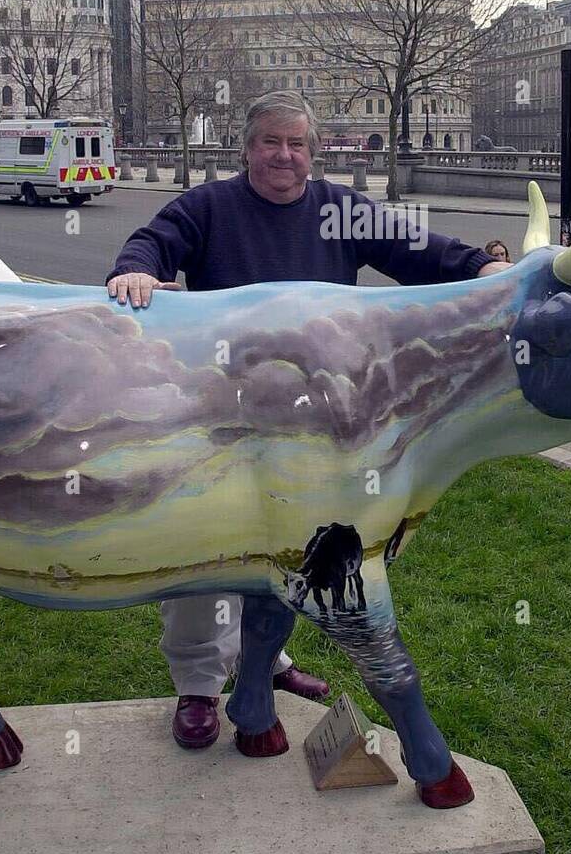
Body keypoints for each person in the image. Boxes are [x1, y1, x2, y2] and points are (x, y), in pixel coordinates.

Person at [106, 91, 512, 750]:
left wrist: (480, 265)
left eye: (297, 144)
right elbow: (153, 242)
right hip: (222, 422)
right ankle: (197, 686)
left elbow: (415, 248)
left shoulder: (337, 211)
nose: (284, 155)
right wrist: (135, 274)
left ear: (313, 154)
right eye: (271, 141)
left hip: (315, 431)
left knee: (291, 553)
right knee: (201, 553)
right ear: (246, 149)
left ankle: (264, 668)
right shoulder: (209, 207)